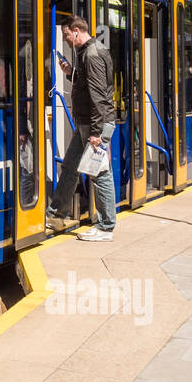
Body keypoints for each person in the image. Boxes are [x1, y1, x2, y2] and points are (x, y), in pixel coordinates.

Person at [46, 15, 117, 242]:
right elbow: (91, 84)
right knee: (70, 167)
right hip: (86, 123)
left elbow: (98, 96)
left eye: (67, 35)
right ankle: (56, 214)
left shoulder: (92, 54)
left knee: (100, 173)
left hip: (94, 124)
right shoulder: (90, 51)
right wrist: (71, 74)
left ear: (76, 31)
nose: (66, 40)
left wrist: (96, 133)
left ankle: (106, 227)